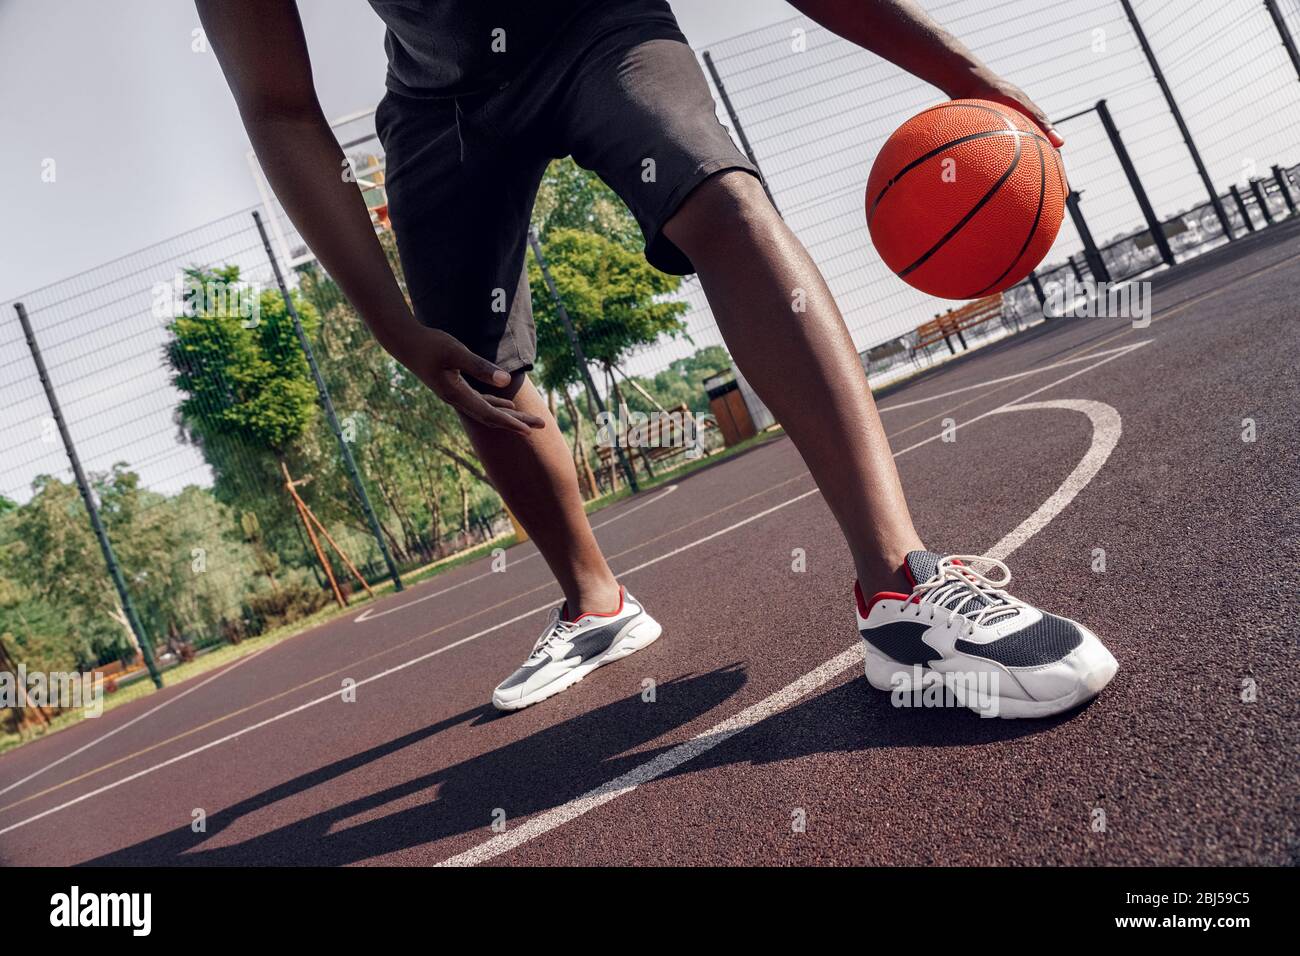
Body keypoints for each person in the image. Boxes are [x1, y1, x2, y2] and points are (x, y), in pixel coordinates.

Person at [196, 0, 1117, 717]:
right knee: (475, 364)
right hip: (446, 104)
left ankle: (899, 588)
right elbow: (276, 106)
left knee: (719, 196)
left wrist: (962, 75)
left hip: (601, 26)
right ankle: (597, 607)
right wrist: (395, 329)